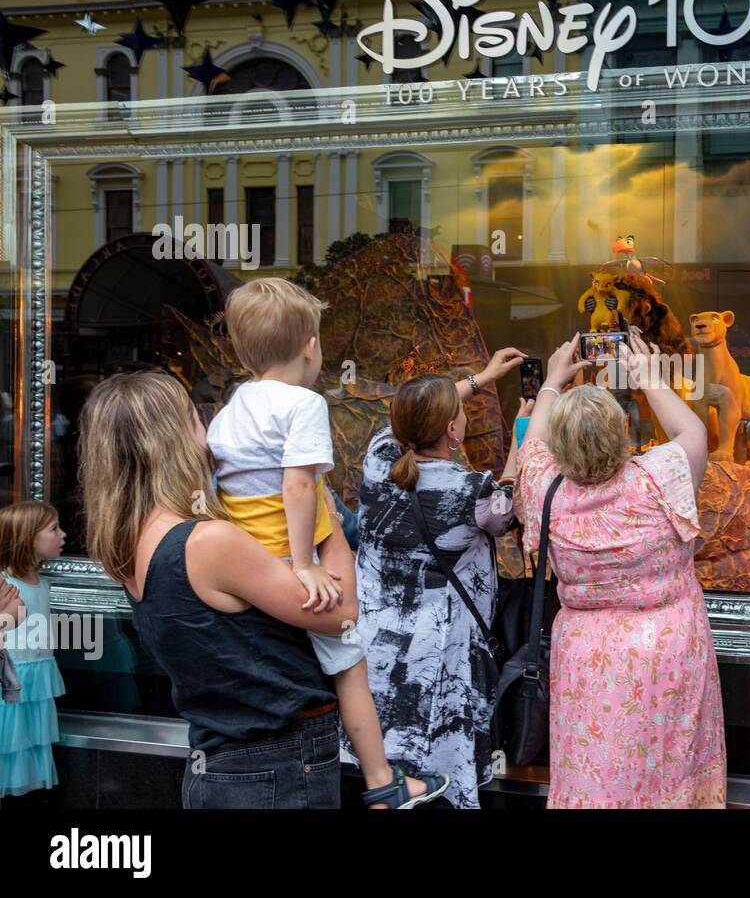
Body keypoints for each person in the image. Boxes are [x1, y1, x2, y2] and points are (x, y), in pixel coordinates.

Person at [205, 277, 443, 808]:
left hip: (246, 563)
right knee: (349, 663)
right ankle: (382, 782)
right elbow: (297, 484)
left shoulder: (232, 407)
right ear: (311, 347)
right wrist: (307, 563)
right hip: (290, 558)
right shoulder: (303, 404)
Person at [79, 371, 357, 808]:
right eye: (196, 419)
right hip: (275, 765)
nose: (208, 435)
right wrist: (321, 509)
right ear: (174, 439)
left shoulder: (127, 543)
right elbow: (342, 615)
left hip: (220, 764)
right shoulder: (206, 542)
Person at [515, 329, 727, 808]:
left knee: (596, 766)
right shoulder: (659, 479)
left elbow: (532, 445)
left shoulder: (543, 488)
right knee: (670, 764)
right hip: (666, 646)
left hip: (586, 652)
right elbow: (691, 431)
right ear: (623, 431)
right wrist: (648, 375)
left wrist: (552, 380)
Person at [354, 350, 534, 810]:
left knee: (384, 774)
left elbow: (408, 417)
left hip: (376, 652)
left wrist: (481, 379)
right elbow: (509, 500)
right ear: (454, 431)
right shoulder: (470, 491)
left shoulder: (379, 460)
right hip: (438, 661)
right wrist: (526, 425)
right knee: (440, 779)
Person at [0, 502, 67, 799]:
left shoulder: (42, 583)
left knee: (28, 749)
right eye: (54, 529)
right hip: (11, 686)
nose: (63, 535)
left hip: (35, 683)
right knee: (9, 747)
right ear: (27, 538)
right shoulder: (5, 584)